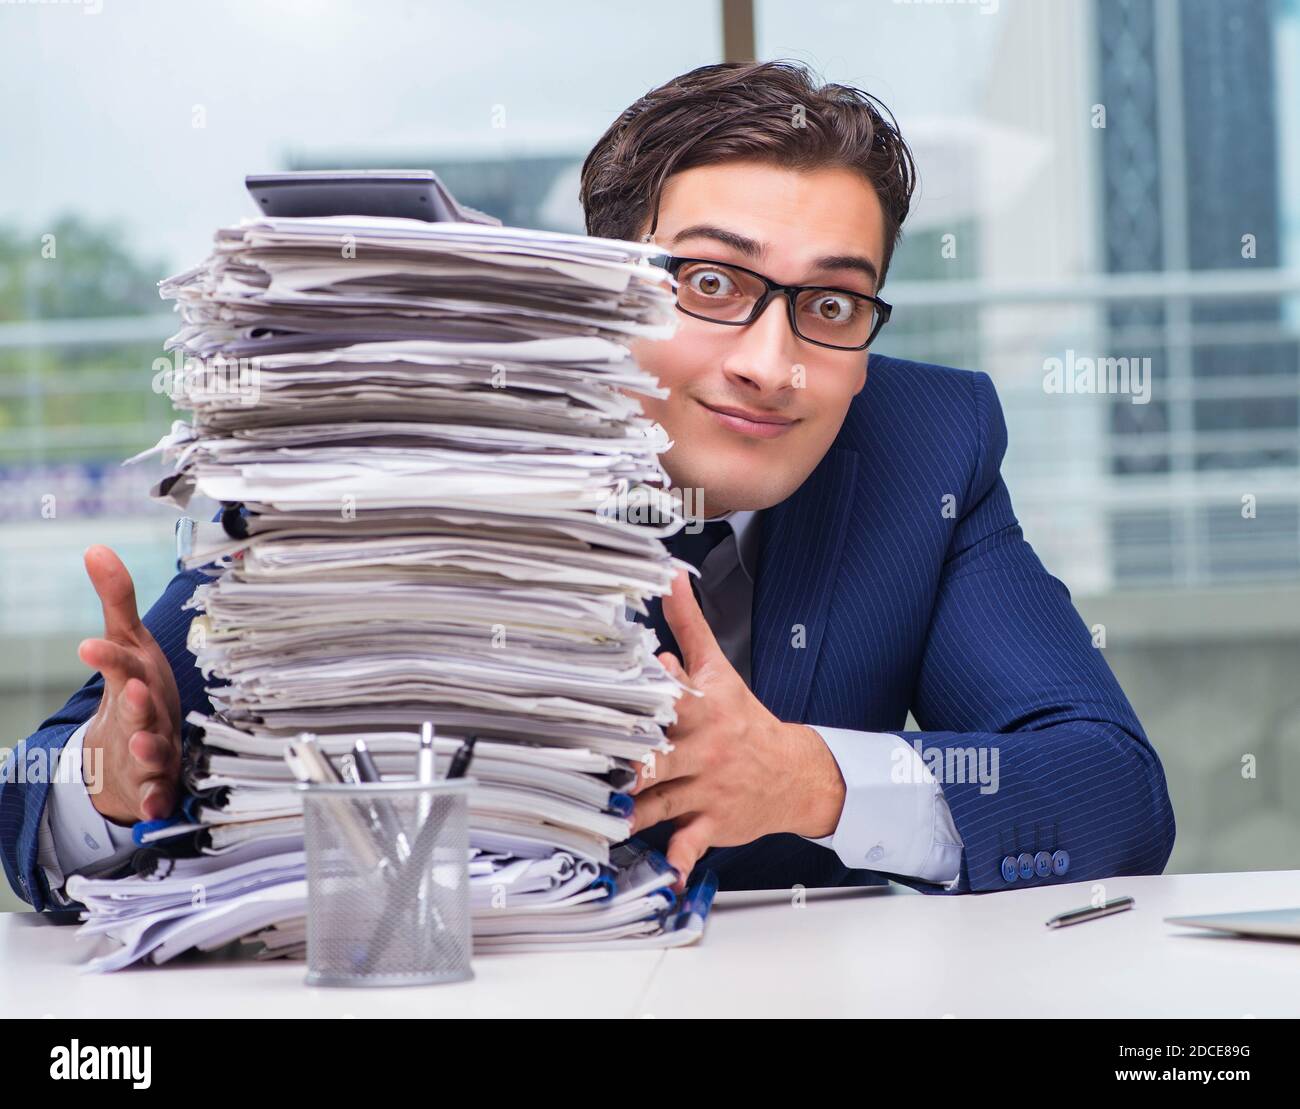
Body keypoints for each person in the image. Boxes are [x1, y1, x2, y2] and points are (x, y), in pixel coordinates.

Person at [1, 60, 1175, 914]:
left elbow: (1111, 787)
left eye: (829, 303)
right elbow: (28, 801)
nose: (770, 363)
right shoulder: (394, 443)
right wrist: (108, 783)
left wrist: (808, 778)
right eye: (710, 283)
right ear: (604, 292)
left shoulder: (928, 442)